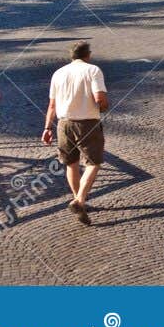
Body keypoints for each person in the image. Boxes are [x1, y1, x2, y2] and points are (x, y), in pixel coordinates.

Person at [41, 41, 109, 225]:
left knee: (71, 164)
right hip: (87, 123)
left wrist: (47, 128)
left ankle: (79, 200)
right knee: (93, 163)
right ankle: (79, 200)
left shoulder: (58, 73)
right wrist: (104, 106)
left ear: (71, 56)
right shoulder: (93, 70)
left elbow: (52, 105)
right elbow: (99, 97)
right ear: (88, 54)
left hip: (64, 124)